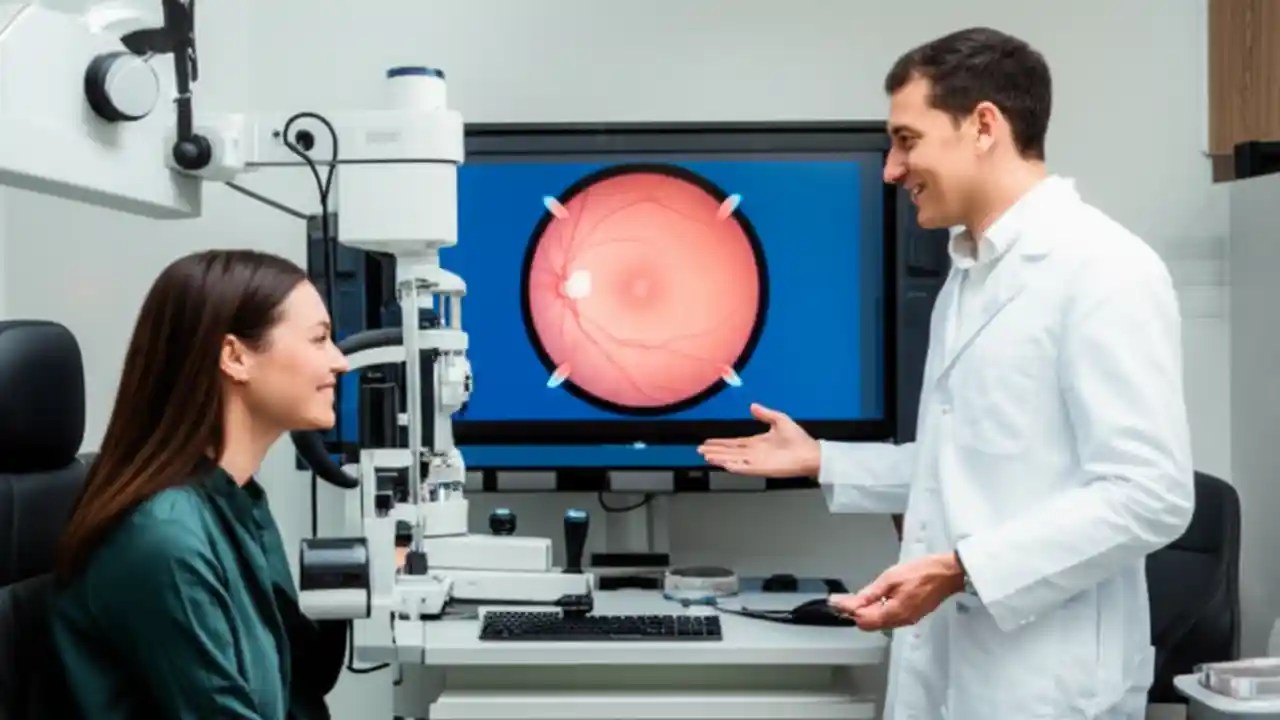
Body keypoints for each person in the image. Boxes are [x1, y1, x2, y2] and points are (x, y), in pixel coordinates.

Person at [699, 26, 1194, 720]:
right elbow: (965, 464)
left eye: (907, 140)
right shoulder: (968, 276)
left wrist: (961, 569)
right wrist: (822, 459)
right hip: (953, 667)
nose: (891, 170)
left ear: (984, 126)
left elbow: (1151, 494)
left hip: (1045, 685)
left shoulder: (1105, 269)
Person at [49, 249, 351, 719]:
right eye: (319, 339)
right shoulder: (164, 538)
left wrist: (358, 579)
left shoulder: (237, 500)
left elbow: (297, 682)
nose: (340, 362)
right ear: (235, 357)